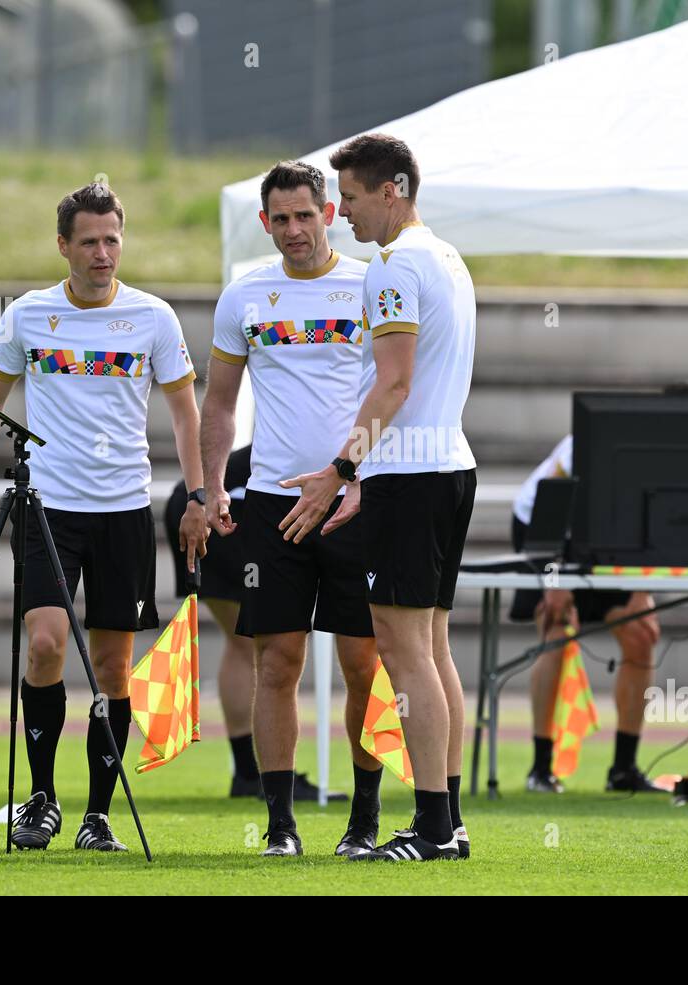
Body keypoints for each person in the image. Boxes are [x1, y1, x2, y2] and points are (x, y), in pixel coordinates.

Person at [0, 182, 208, 851]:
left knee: (114, 670)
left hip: (124, 510)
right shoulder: (29, 315)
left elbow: (183, 411)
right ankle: (42, 797)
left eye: (112, 239)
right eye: (89, 241)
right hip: (48, 506)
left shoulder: (153, 318)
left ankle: (98, 814)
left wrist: (198, 495)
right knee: (48, 643)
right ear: (64, 245)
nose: (102, 253)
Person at [282, 133, 477, 862]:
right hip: (450, 465)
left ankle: (430, 827)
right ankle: (447, 818)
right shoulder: (448, 257)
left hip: (414, 476)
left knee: (406, 653)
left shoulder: (393, 265)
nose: (340, 213)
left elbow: (393, 382)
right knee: (431, 649)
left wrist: (341, 469)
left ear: (390, 190)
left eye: (352, 198)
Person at [200, 161, 380, 858]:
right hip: (273, 502)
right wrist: (214, 485)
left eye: (305, 215)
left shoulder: (371, 284)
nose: (294, 230)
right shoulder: (245, 295)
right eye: (281, 218)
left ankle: (363, 821)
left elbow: (398, 387)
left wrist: (351, 472)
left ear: (329, 212)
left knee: (365, 663)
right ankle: (280, 827)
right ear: (264, 222)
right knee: (277, 661)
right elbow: (217, 402)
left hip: (352, 499)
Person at [512, 381, 688, 794]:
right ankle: (540, 767)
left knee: (641, 636)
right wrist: (556, 578)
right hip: (546, 530)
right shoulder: (598, 440)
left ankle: (624, 769)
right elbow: (557, 503)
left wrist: (641, 592)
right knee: (555, 631)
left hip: (610, 540)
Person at [165, 446, 346, 802]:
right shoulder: (317, 451)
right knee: (254, 645)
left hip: (193, 505)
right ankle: (257, 774)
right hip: (219, 512)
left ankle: (249, 773)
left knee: (243, 644)